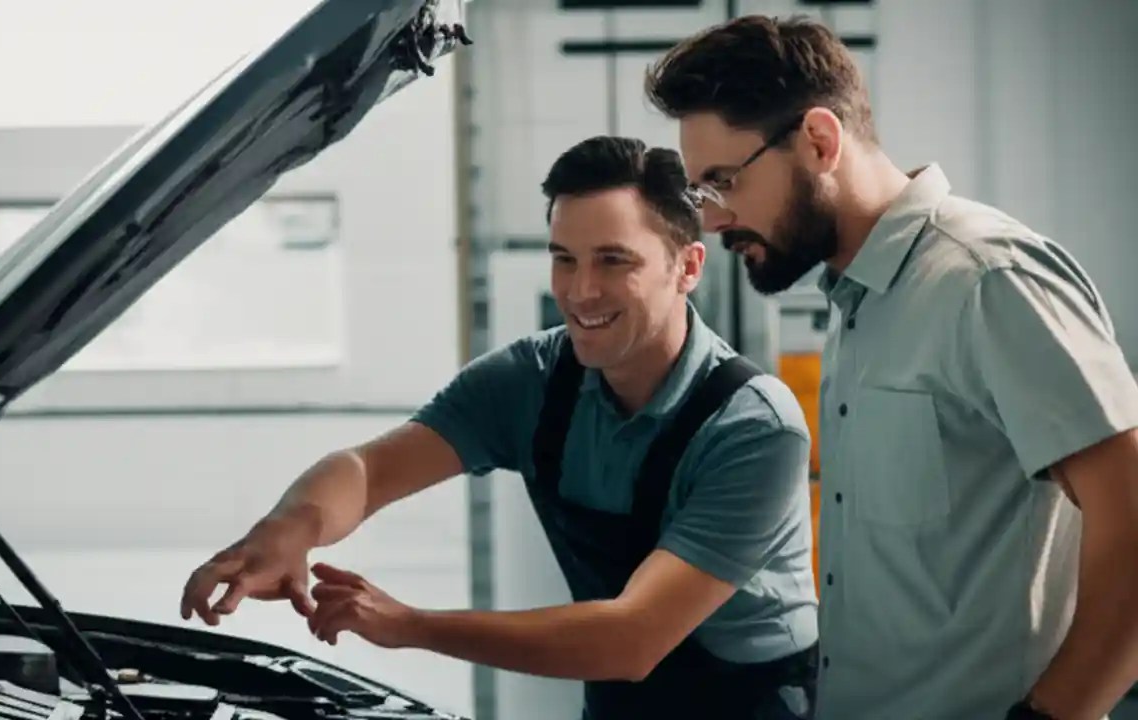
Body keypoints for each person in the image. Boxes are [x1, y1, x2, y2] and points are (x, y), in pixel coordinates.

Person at [179, 135, 820, 719]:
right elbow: (369, 470)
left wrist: (412, 625)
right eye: (564, 259)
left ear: (687, 267)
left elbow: (631, 639)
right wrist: (291, 529)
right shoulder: (533, 380)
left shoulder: (753, 428)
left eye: (613, 260)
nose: (581, 291)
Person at [643, 13, 1138, 720]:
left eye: (723, 183)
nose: (713, 220)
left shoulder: (986, 280)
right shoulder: (857, 304)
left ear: (819, 141)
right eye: (701, 194)